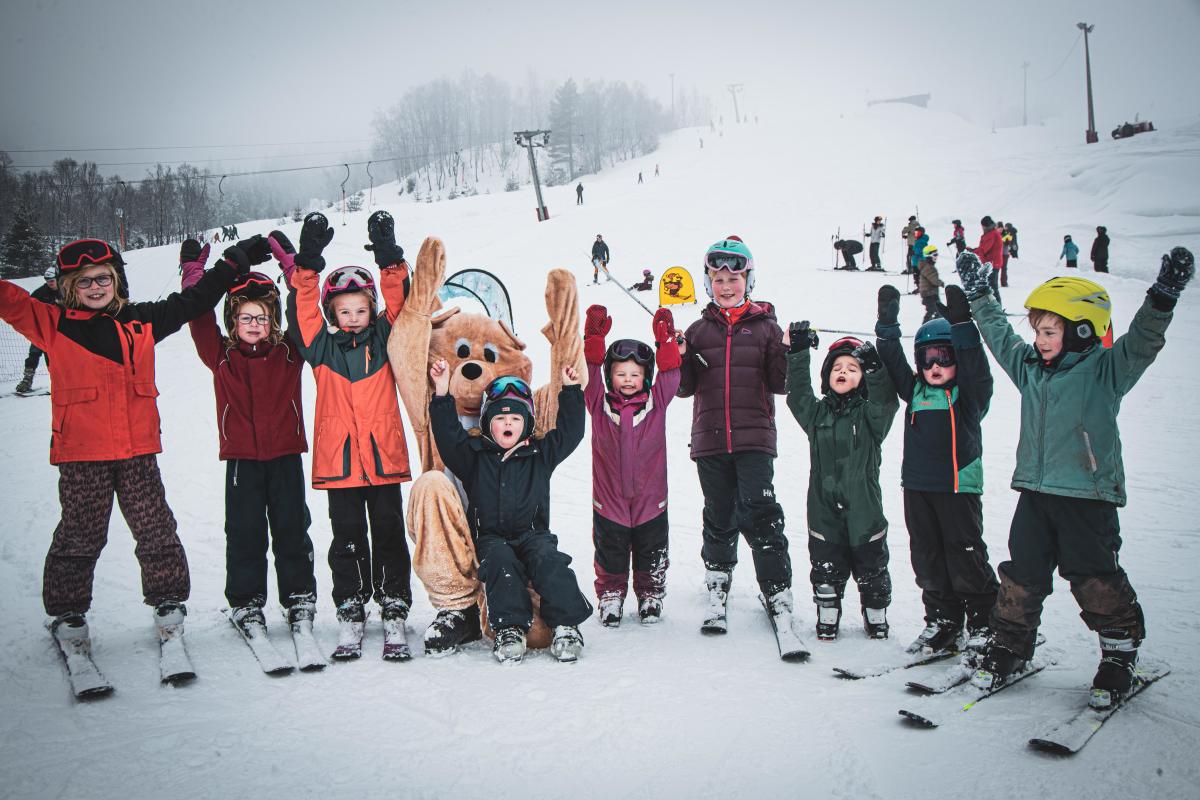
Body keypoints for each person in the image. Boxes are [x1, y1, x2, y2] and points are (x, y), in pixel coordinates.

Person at [955, 247, 1194, 709]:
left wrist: (1163, 295)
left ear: (1082, 329)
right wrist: (980, 293)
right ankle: (1009, 646)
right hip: (1035, 493)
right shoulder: (1030, 369)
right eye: (1039, 331)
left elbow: (1143, 338)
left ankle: (1119, 655)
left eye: (1050, 331)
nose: (1040, 340)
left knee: (1092, 576)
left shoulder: (1107, 371)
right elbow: (1000, 336)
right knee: (1021, 575)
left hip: (1087, 496)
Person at [0, 237, 246, 669]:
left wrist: (231, 264)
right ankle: (68, 614)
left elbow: (194, 301)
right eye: (84, 282)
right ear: (67, 287)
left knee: (155, 530)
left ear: (117, 280)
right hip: (82, 456)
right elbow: (9, 299)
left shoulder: (141, 321)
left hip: (137, 453)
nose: (95, 288)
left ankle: (168, 605)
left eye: (103, 278)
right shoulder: (51, 324)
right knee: (80, 535)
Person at [287, 211, 415, 660]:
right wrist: (307, 263)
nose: (355, 317)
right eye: (345, 310)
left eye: (362, 309)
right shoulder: (321, 348)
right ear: (332, 312)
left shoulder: (385, 338)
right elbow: (302, 312)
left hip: (382, 459)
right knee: (345, 538)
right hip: (339, 461)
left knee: (388, 533)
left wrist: (388, 257)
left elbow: (402, 308)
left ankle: (394, 603)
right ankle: (350, 607)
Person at [180, 236, 318, 639]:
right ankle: (246, 603)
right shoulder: (220, 355)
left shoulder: (290, 352)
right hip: (242, 460)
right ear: (233, 321)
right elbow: (197, 313)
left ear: (273, 320)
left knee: (292, 528)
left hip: (285, 457)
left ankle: (299, 599)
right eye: (245, 318)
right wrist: (196, 274)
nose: (254, 325)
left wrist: (292, 266)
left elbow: (306, 311)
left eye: (262, 317)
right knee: (244, 531)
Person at [428, 364, 593, 663]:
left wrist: (571, 392)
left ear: (526, 424)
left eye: (515, 418)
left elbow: (571, 433)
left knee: (550, 561)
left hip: (534, 535)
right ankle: (510, 629)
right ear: (488, 422)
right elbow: (449, 437)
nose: (508, 423)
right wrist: (441, 393)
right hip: (491, 538)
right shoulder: (474, 456)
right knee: (501, 565)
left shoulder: (541, 455)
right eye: (500, 418)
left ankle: (567, 625)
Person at [677, 236, 794, 637]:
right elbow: (683, 388)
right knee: (719, 515)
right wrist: (676, 356)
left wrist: (789, 350)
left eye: (735, 278)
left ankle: (777, 592)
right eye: (719, 279)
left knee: (761, 515)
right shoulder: (697, 331)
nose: (727, 286)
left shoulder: (766, 329)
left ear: (749, 280)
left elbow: (781, 384)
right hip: (709, 440)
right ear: (708, 283)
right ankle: (717, 585)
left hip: (754, 439)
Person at [875, 284, 998, 656]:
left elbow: (977, 367)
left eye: (943, 357)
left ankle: (982, 621)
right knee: (926, 555)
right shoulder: (914, 391)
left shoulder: (968, 396)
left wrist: (962, 325)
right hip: (917, 486)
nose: (934, 366)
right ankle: (943, 621)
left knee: (964, 555)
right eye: (926, 358)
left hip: (959, 488)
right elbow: (891, 356)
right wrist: (887, 322)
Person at [784, 325, 899, 640]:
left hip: (864, 506)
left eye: (852, 368)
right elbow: (797, 395)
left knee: (872, 564)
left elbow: (887, 403)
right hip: (823, 506)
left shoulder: (871, 417)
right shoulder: (816, 414)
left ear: (862, 379)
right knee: (825, 564)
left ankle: (875, 613)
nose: (843, 372)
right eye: (837, 367)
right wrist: (798, 351)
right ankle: (828, 611)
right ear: (827, 376)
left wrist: (874, 368)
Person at [583, 305, 682, 626]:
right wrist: (593, 341)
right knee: (609, 549)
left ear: (645, 377)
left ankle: (650, 593)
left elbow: (671, 376)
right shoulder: (599, 405)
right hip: (609, 500)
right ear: (610, 376)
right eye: (620, 373)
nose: (627, 380)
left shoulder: (656, 403)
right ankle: (611, 595)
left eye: (635, 374)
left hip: (650, 499)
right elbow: (588, 375)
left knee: (651, 548)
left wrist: (665, 342)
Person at [14, 266, 59, 394]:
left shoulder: (66, 291)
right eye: (47, 280)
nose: (50, 283)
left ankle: (57, 382)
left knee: (54, 358)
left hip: (59, 332)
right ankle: (27, 380)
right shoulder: (41, 293)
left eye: (52, 280)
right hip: (41, 330)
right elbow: (28, 308)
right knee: (34, 353)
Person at [970, 216, 1004, 307]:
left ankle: (997, 308)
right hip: (992, 263)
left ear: (985, 225)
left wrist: (973, 251)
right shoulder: (992, 233)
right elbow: (983, 248)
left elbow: (984, 249)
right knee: (991, 286)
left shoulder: (991, 235)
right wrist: (973, 250)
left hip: (992, 264)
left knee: (992, 287)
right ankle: (996, 307)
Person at [916, 243, 945, 322]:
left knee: (938, 311)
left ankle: (936, 325)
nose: (936, 257)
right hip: (929, 294)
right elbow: (933, 280)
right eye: (935, 255)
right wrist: (941, 283)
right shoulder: (928, 268)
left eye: (937, 254)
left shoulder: (928, 266)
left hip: (931, 294)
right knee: (933, 311)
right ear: (929, 256)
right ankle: (925, 325)